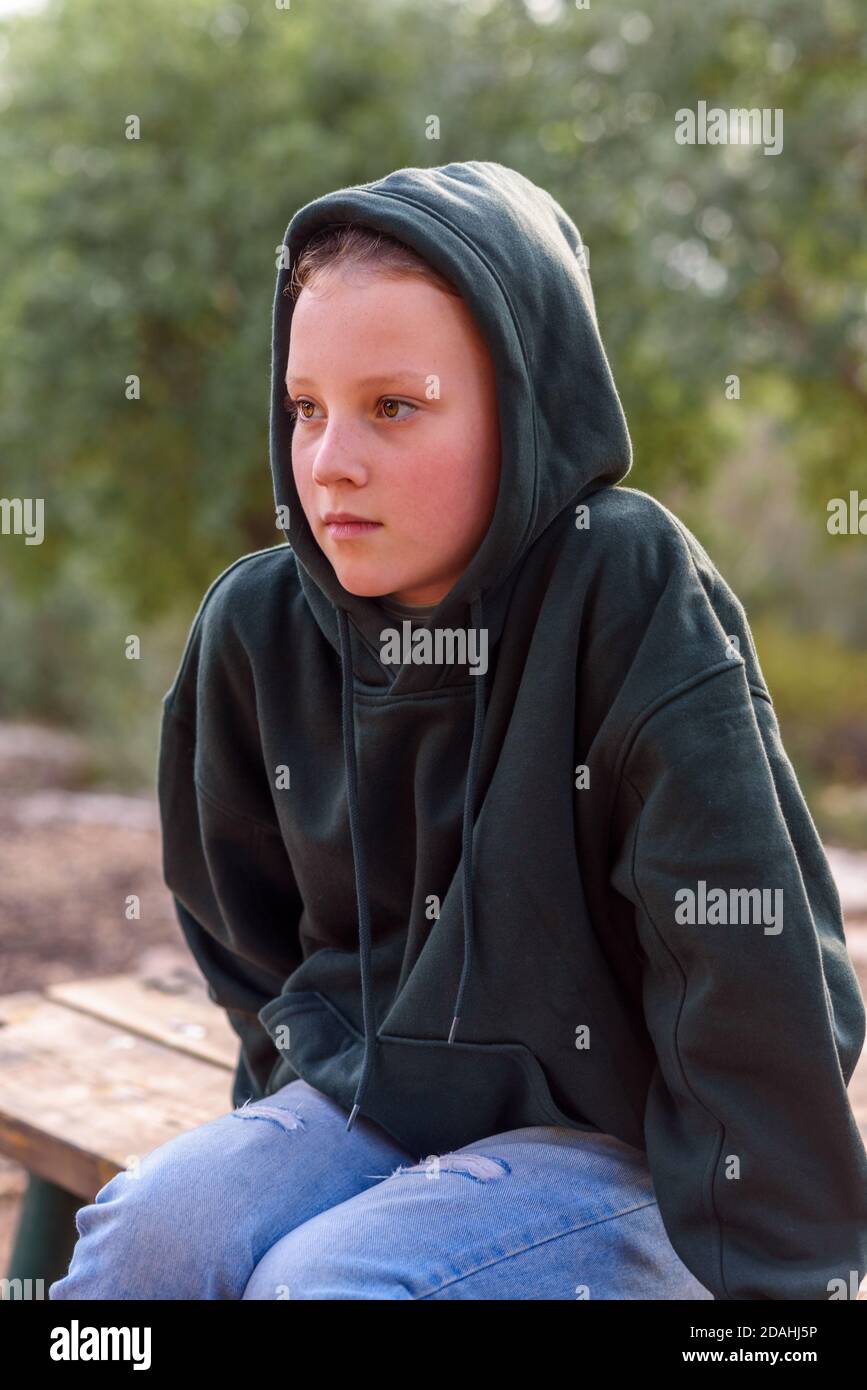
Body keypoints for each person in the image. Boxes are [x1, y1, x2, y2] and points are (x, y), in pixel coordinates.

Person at [50, 160, 867, 1301]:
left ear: (524, 408)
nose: (331, 459)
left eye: (395, 406)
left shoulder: (624, 586)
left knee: (324, 1282)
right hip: (371, 1094)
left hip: (630, 1147)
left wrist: (781, 1286)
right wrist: (312, 1096)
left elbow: (753, 960)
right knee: (149, 1235)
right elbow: (239, 920)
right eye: (306, 409)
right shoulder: (257, 623)